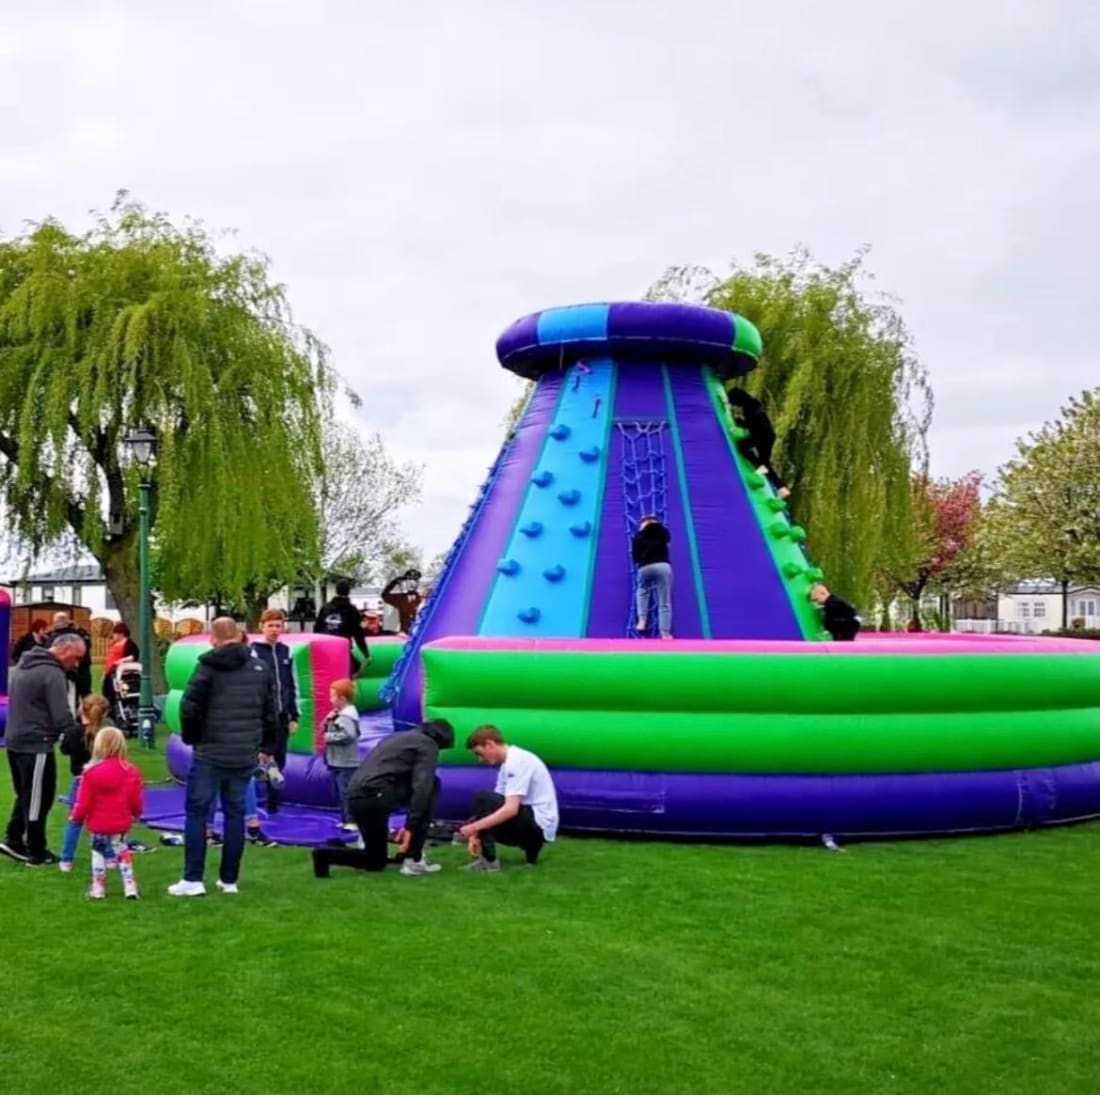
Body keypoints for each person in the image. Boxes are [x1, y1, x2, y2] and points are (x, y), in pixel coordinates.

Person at [169, 617, 278, 898]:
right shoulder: (260, 668)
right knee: (235, 814)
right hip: (244, 753)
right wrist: (266, 746)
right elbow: (271, 712)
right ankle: (229, 880)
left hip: (210, 752)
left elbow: (189, 707)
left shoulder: (206, 668)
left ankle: (193, 878)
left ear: (213, 639)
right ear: (239, 635)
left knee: (197, 812)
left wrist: (193, 737)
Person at [311, 718, 454, 879]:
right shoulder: (427, 744)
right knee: (432, 786)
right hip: (377, 795)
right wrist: (411, 825)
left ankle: (325, 854)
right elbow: (422, 787)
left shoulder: (396, 738)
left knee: (375, 861)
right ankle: (413, 859)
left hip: (357, 796)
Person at [0, 632, 86, 866]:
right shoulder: (51, 672)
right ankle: (36, 851)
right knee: (40, 798)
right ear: (64, 650)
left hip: (16, 739)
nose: (76, 663)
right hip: (35, 742)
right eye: (76, 657)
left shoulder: (24, 664)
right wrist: (75, 735)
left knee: (27, 793)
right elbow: (60, 712)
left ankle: (14, 838)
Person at [458, 726, 558, 871]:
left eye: (479, 753)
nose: (480, 760)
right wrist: (475, 834)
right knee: (487, 808)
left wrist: (474, 828)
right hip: (538, 824)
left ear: (490, 744)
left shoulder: (517, 761)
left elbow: (510, 809)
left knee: (482, 798)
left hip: (539, 824)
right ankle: (531, 859)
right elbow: (495, 806)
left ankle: (489, 861)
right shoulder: (508, 764)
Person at [69, 727, 144, 900]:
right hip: (120, 821)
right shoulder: (131, 771)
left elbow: (84, 801)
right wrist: (137, 812)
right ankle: (130, 886)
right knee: (122, 851)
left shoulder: (90, 773)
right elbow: (135, 799)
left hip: (98, 822)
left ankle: (98, 886)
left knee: (98, 852)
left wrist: (76, 816)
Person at [249, 608, 299, 814]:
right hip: (261, 717)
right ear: (262, 627)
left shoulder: (287, 651)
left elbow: (293, 684)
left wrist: (294, 715)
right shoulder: (254, 651)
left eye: (278, 625)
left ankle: (273, 802)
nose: (275, 630)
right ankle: (248, 802)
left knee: (280, 760)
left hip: (282, 715)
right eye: (271, 625)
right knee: (260, 758)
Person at [725, 385, 791, 500]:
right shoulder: (751, 404)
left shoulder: (751, 407)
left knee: (744, 447)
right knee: (763, 460)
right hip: (765, 435)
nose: (735, 405)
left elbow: (757, 424)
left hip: (763, 435)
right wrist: (741, 422)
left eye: (734, 402)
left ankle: (762, 470)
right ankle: (781, 487)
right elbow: (754, 422)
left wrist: (742, 427)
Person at [322, 678, 360, 830]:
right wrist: (327, 721)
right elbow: (325, 728)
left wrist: (329, 737)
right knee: (339, 792)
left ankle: (351, 820)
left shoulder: (346, 717)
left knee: (346, 792)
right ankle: (345, 819)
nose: (330, 700)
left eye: (333, 697)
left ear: (342, 699)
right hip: (337, 760)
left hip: (345, 762)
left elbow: (349, 734)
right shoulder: (339, 714)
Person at [313, 579, 370, 677]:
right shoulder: (351, 610)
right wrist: (366, 654)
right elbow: (358, 634)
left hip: (325, 649)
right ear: (349, 591)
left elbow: (317, 629)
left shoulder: (325, 608)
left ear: (336, 590)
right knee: (353, 669)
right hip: (342, 650)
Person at [632, 516, 673, 639]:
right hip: (662, 565)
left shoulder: (639, 536)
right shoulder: (662, 531)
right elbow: (668, 544)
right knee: (664, 600)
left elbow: (635, 556)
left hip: (645, 566)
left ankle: (642, 621)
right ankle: (665, 633)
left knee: (642, 592)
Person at [49, 612, 93, 702]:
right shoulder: (79, 634)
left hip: (66, 673)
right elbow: (88, 644)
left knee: (68, 697)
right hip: (82, 670)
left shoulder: (54, 637)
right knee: (85, 696)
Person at [381, 569, 423, 634]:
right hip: (403, 634)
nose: (412, 584)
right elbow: (384, 595)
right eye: (409, 581)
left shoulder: (420, 598)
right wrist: (394, 582)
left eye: (415, 580)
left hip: (418, 632)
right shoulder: (400, 598)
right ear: (404, 583)